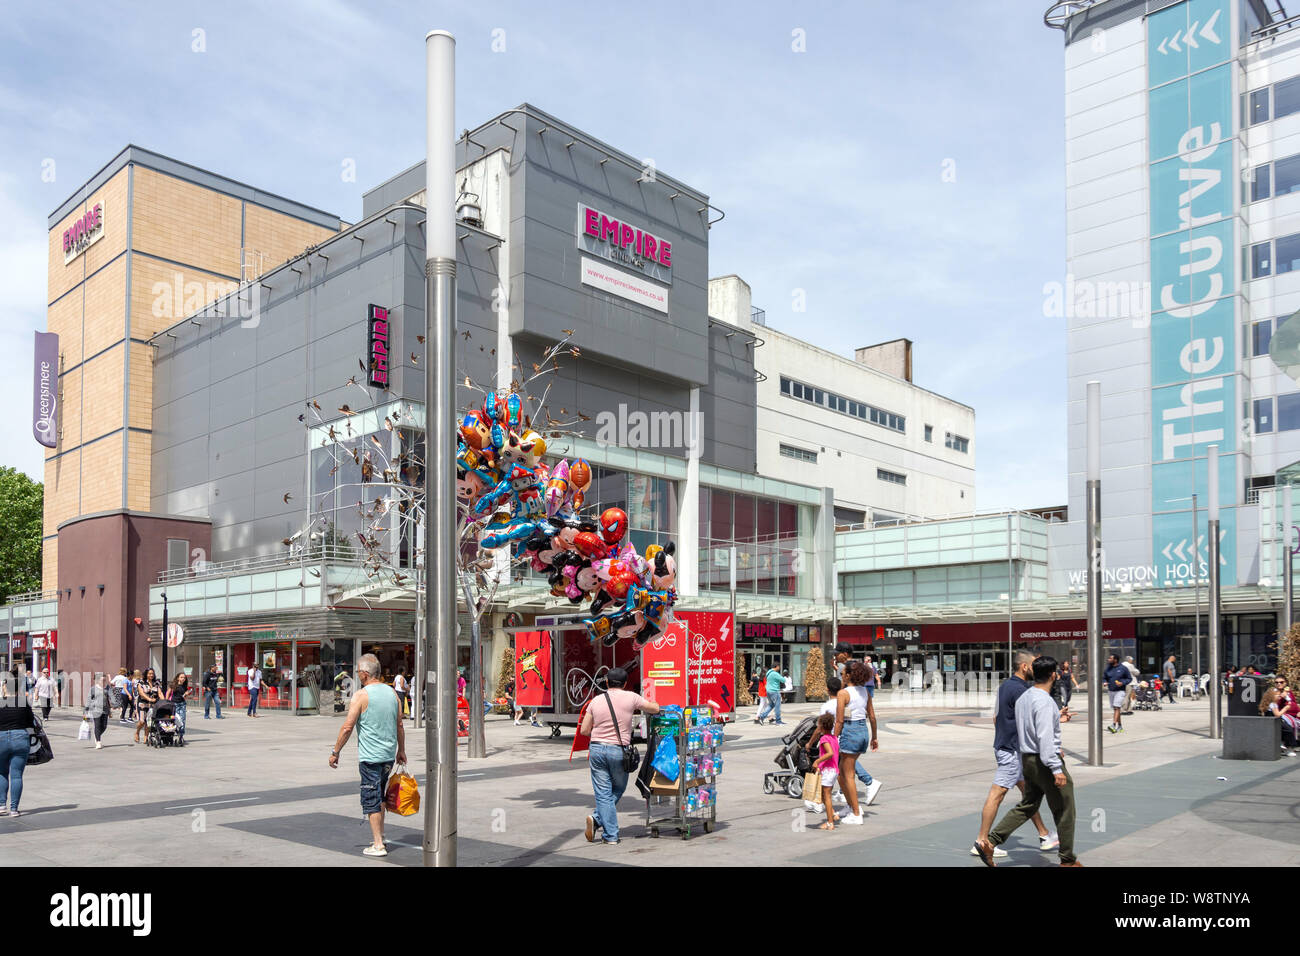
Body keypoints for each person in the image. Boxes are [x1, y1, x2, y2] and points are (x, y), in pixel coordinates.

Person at [975, 655, 1081, 867]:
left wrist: (1055, 716)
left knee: (1028, 804)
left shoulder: (1026, 697)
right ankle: (1068, 860)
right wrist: (1056, 768)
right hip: (1043, 761)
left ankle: (991, 842)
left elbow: (1029, 725)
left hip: (1027, 759)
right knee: (1065, 807)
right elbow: (1044, 736)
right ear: (1053, 675)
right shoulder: (1044, 701)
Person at [970, 651, 1056, 861]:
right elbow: (1032, 721)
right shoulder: (1020, 690)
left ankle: (1045, 835)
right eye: (1034, 665)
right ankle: (982, 841)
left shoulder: (1006, 686)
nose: (1037, 670)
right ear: (1025, 667)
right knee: (997, 793)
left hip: (1008, 747)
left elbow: (996, 717)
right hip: (1011, 751)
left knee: (1029, 795)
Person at [329, 653, 407, 857]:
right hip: (388, 756)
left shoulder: (361, 695)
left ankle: (379, 844)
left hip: (370, 758)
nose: (357, 675)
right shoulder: (391, 693)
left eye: (357, 672)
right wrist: (402, 750)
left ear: (364, 674)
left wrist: (335, 751)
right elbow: (400, 724)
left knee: (371, 799)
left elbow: (347, 727)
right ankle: (379, 835)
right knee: (380, 796)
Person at [580, 667, 660, 846]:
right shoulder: (631, 697)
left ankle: (599, 821)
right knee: (618, 788)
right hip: (619, 751)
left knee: (603, 793)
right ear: (625, 683)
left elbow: (585, 730)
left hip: (597, 749)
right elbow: (655, 708)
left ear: (607, 682)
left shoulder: (595, 701)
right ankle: (609, 833)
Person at [833, 660, 880, 825]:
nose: (841, 675)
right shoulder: (865, 692)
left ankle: (856, 813)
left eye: (843, 673)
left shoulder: (843, 694)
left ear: (848, 675)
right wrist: (874, 737)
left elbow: (839, 721)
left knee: (848, 775)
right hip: (863, 731)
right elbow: (872, 717)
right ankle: (851, 805)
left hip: (849, 731)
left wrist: (832, 739)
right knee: (841, 774)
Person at [0, 667, 35, 817]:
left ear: (4, 687)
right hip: (21, 738)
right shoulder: (24, 703)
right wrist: (32, 739)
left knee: (1, 772)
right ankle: (14, 809)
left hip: (1, 739)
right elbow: (31, 725)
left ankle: (2, 806)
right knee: (16, 775)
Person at [806, 712, 840, 831]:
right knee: (824, 795)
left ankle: (830, 823)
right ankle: (833, 814)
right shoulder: (834, 737)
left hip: (829, 771)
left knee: (827, 796)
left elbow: (830, 753)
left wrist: (817, 761)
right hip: (833, 770)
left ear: (821, 726)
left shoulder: (824, 738)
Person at [1104, 654, 1132, 734]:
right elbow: (1104, 677)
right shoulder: (1108, 668)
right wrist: (1105, 682)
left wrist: (1122, 682)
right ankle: (1120, 726)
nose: (1108, 659)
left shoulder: (1123, 668)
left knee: (1116, 707)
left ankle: (1113, 725)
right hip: (1111, 691)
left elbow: (1129, 678)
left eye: (1110, 658)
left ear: (1115, 660)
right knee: (1116, 709)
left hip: (1120, 691)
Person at [133, 668, 161, 744]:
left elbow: (160, 693)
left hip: (152, 705)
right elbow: (141, 693)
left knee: (149, 722)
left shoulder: (156, 683)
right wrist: (149, 699)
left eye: (152, 673)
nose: (151, 675)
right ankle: (137, 732)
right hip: (142, 704)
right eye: (149, 673)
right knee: (142, 721)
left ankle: (146, 737)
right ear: (146, 674)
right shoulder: (141, 682)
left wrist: (164, 700)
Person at [85, 673, 111, 750]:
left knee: (104, 726)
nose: (104, 681)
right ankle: (98, 742)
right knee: (97, 725)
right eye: (102, 680)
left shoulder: (107, 688)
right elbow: (89, 699)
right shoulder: (93, 689)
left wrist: (110, 711)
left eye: (104, 680)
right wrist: (86, 709)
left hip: (105, 710)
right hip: (96, 710)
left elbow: (108, 699)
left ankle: (97, 736)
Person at [170, 674, 190, 738]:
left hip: (182, 704)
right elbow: (168, 693)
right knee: (174, 719)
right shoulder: (174, 685)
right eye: (181, 677)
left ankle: (181, 735)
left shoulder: (184, 686)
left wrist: (186, 694)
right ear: (178, 678)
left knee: (182, 719)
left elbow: (184, 697)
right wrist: (166, 701)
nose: (183, 679)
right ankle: (171, 733)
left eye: (184, 678)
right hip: (174, 704)